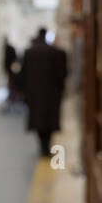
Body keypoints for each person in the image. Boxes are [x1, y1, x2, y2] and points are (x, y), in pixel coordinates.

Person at [21, 27, 67, 158]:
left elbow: (23, 75)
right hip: (51, 94)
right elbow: (61, 73)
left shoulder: (29, 53)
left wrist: (25, 92)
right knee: (49, 120)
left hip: (34, 94)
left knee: (38, 121)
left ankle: (43, 146)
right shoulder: (55, 53)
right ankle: (46, 146)